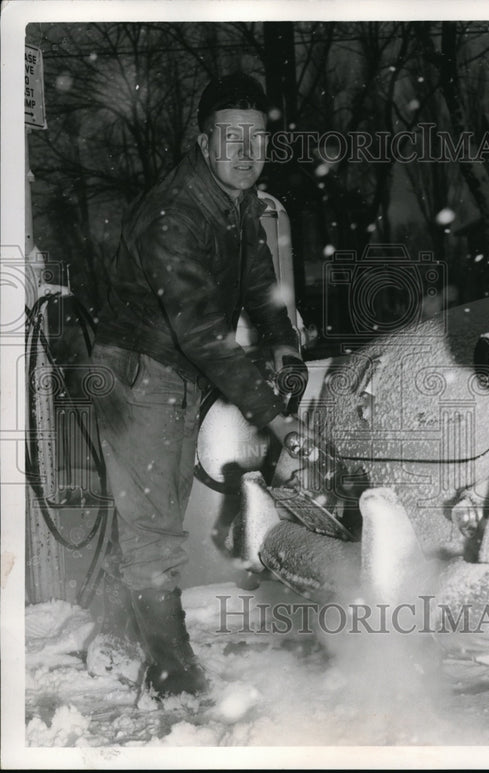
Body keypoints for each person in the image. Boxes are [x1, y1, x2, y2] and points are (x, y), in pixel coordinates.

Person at [89, 74, 312, 698]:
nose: (246, 151)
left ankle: (122, 638)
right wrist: (274, 417)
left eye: (257, 137)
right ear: (204, 143)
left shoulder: (237, 204)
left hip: (174, 371)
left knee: (153, 520)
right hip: (137, 372)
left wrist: (285, 343)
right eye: (231, 137)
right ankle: (173, 679)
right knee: (153, 531)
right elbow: (203, 337)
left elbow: (262, 287)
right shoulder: (176, 215)